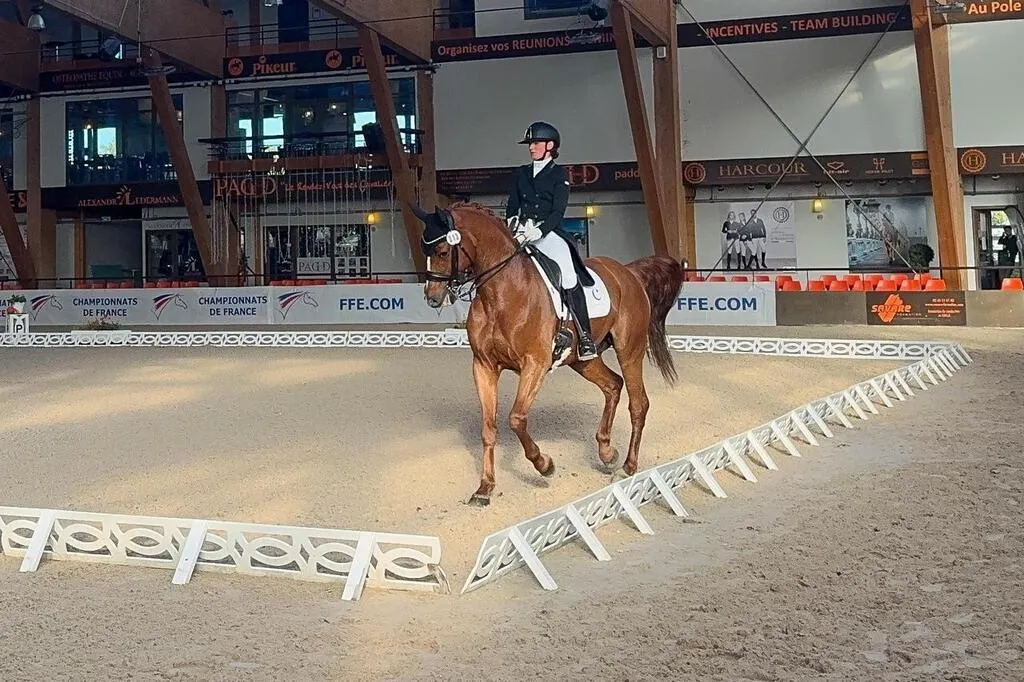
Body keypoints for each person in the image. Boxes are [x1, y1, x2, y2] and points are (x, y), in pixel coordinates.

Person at [505, 121, 597, 361]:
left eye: (535, 143)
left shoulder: (559, 175)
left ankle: (585, 337)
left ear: (549, 146)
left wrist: (540, 230)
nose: (531, 147)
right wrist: (514, 223)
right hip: (521, 232)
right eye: (530, 144)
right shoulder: (522, 173)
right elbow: (512, 204)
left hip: (549, 233)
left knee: (567, 274)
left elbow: (558, 211)